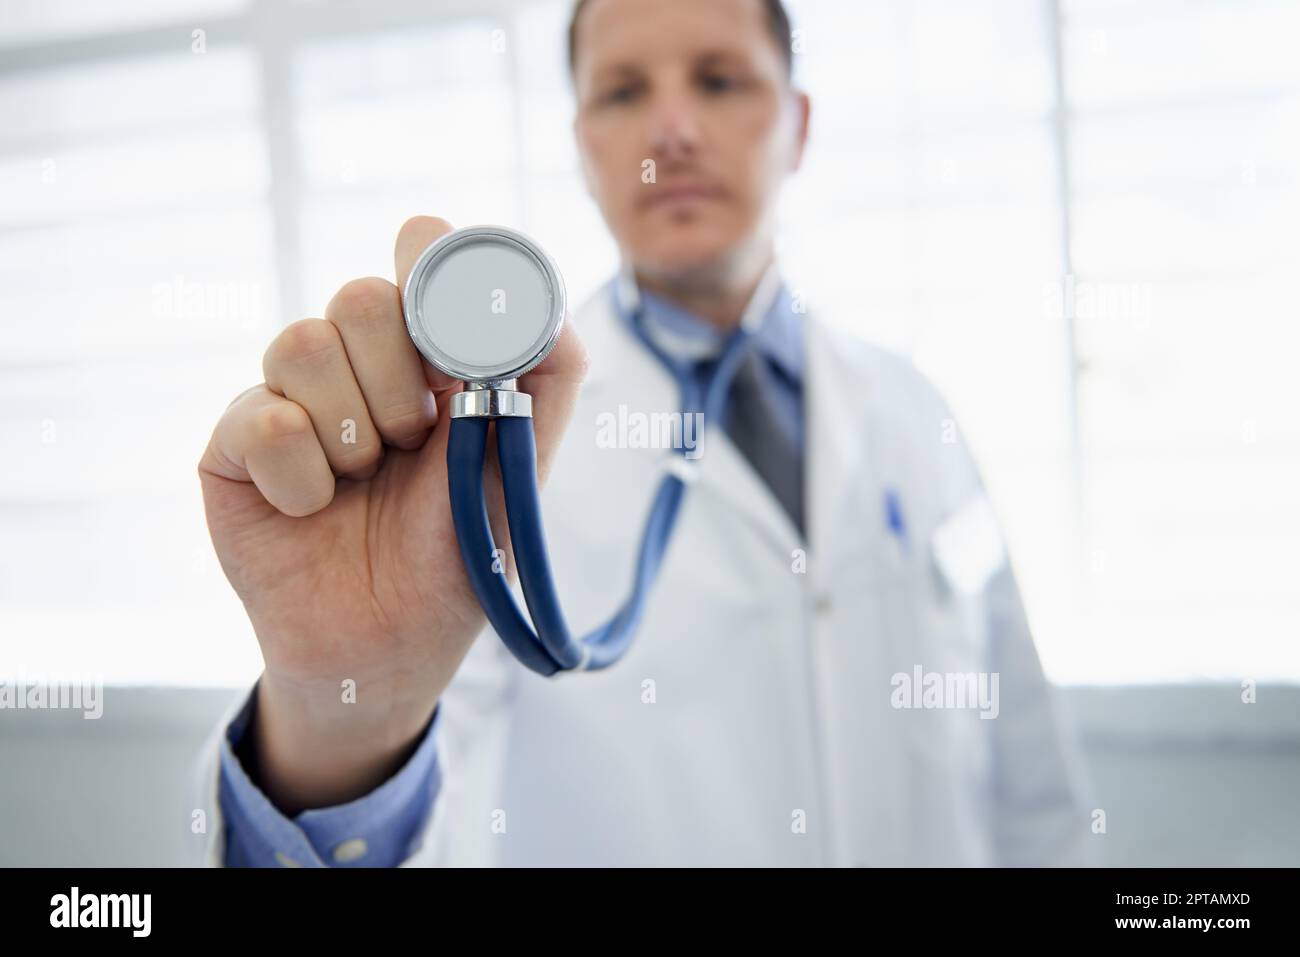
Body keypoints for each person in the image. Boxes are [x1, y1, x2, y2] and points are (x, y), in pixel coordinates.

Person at [191, 0, 1090, 866]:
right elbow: (419, 823)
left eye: (720, 79)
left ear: (799, 123)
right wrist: (345, 713)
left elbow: (1029, 771)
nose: (672, 130)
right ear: (585, 146)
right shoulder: (474, 453)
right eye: (622, 92)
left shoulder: (913, 407)